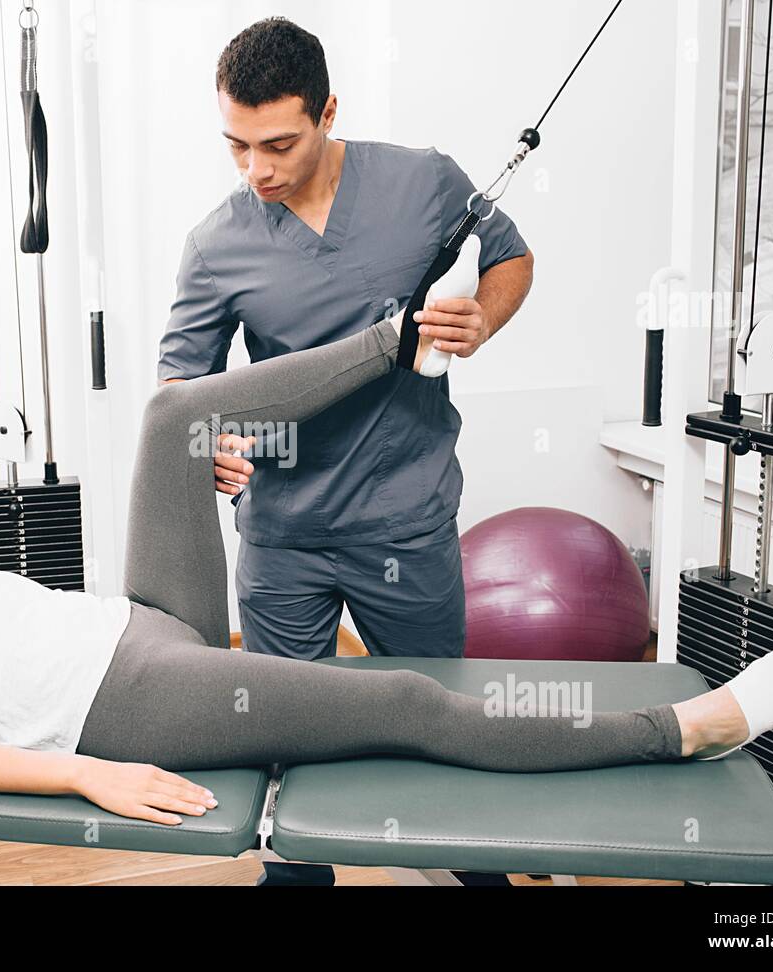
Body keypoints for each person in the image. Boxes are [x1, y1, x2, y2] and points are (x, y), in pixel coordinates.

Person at [0, 311, 773, 828]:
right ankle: (681, 731)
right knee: (401, 700)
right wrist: (86, 780)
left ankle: (399, 345)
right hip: (120, 703)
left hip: (135, 619)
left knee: (175, 415)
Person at [160, 17, 535, 663]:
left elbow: (509, 256)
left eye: (278, 144)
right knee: (287, 730)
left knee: (430, 713)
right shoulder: (214, 245)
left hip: (408, 521)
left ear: (328, 111)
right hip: (283, 533)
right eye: (238, 146)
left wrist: (482, 320)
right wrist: (208, 447)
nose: (257, 170)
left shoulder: (425, 182)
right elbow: (181, 391)